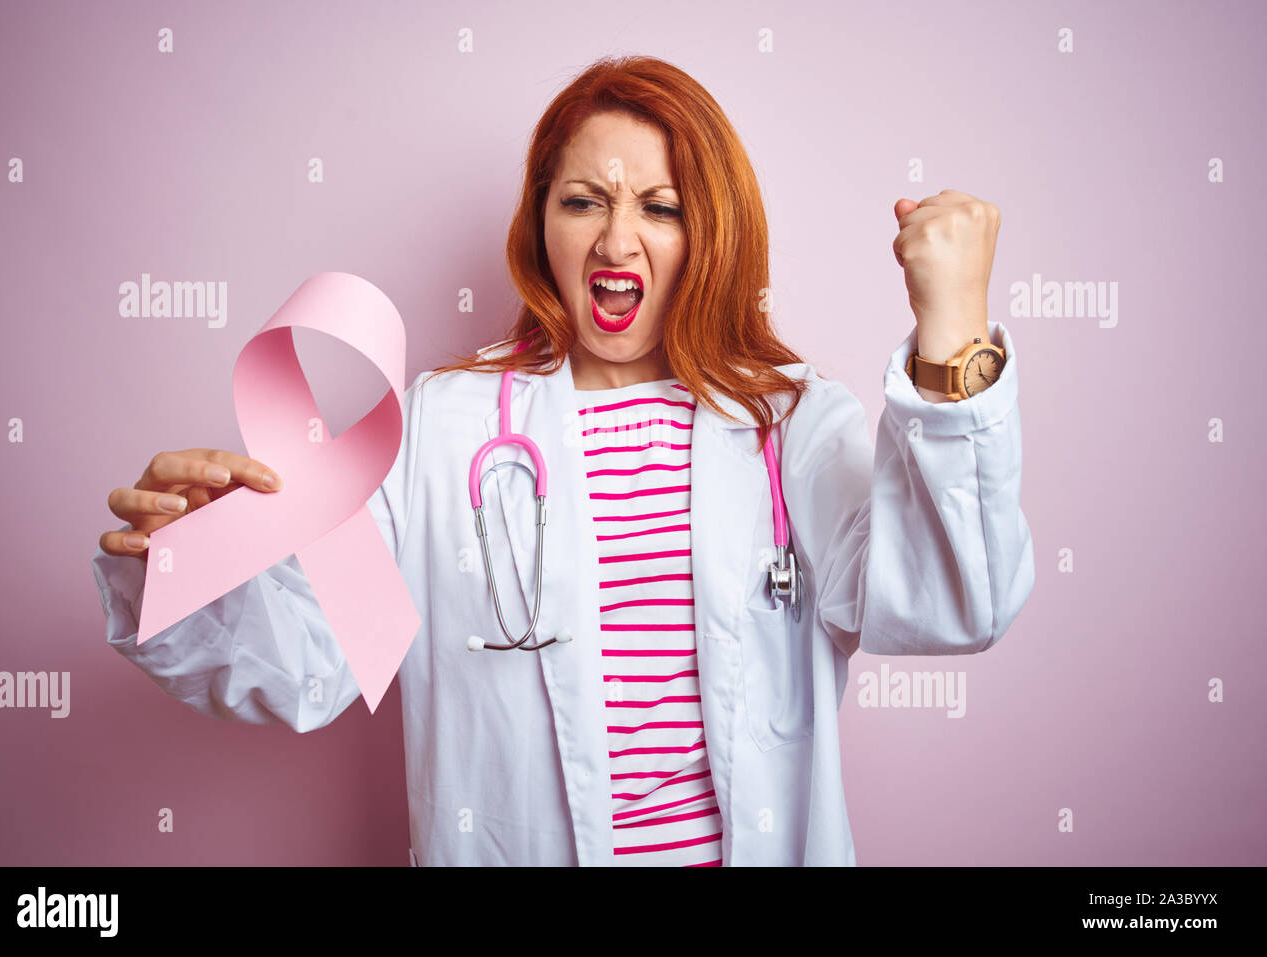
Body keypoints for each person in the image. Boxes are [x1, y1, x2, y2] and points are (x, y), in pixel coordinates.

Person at [93, 55, 1034, 866]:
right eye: (583, 200)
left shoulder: (787, 418)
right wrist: (188, 566)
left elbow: (950, 605)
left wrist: (951, 338)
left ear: (710, 231)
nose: (616, 240)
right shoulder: (445, 425)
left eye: (660, 207)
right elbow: (312, 660)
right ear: (541, 223)